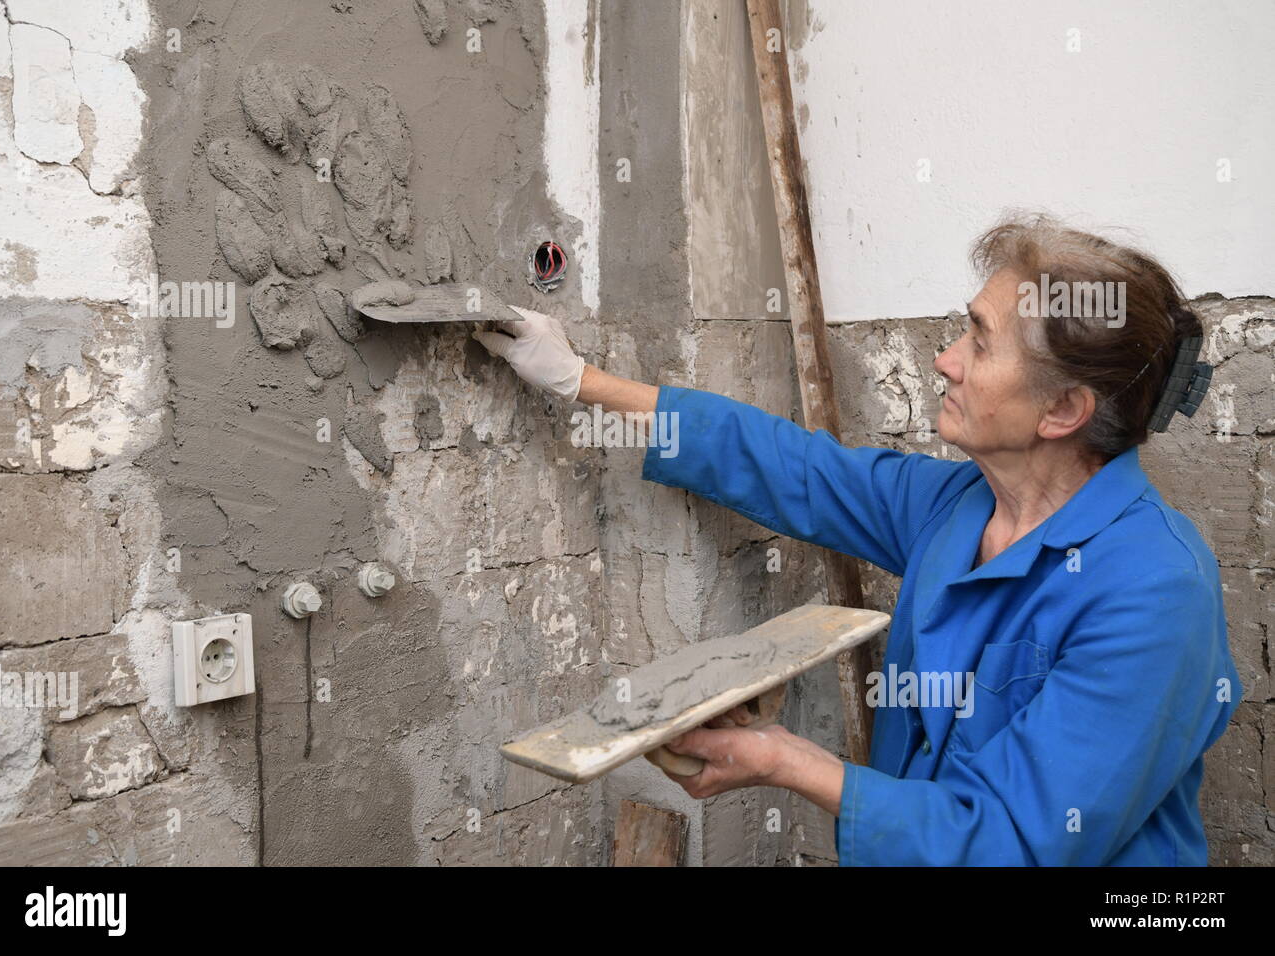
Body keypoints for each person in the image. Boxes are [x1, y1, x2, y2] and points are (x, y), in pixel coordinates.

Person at [472, 212, 1241, 866]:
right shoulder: (959, 506)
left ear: (1064, 410)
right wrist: (579, 381)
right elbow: (792, 468)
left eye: (978, 343)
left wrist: (787, 761)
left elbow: (1010, 842)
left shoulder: (1153, 593)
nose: (945, 361)